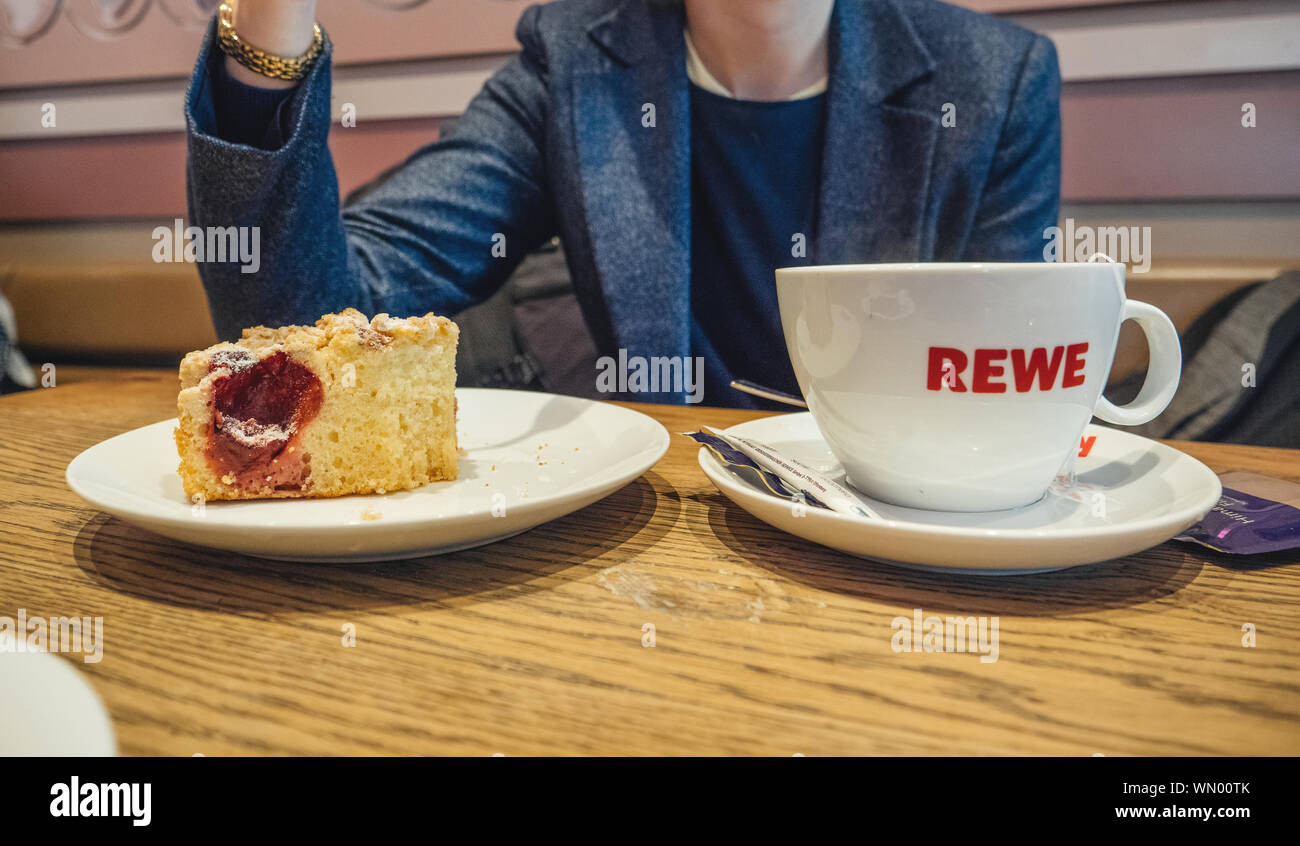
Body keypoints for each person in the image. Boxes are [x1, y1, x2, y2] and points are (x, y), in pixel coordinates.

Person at [187, 0, 1061, 405]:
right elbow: (295, 320)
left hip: (903, 558)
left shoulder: (995, 83)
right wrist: (270, 22)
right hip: (667, 548)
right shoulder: (573, 64)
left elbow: (1002, 400)